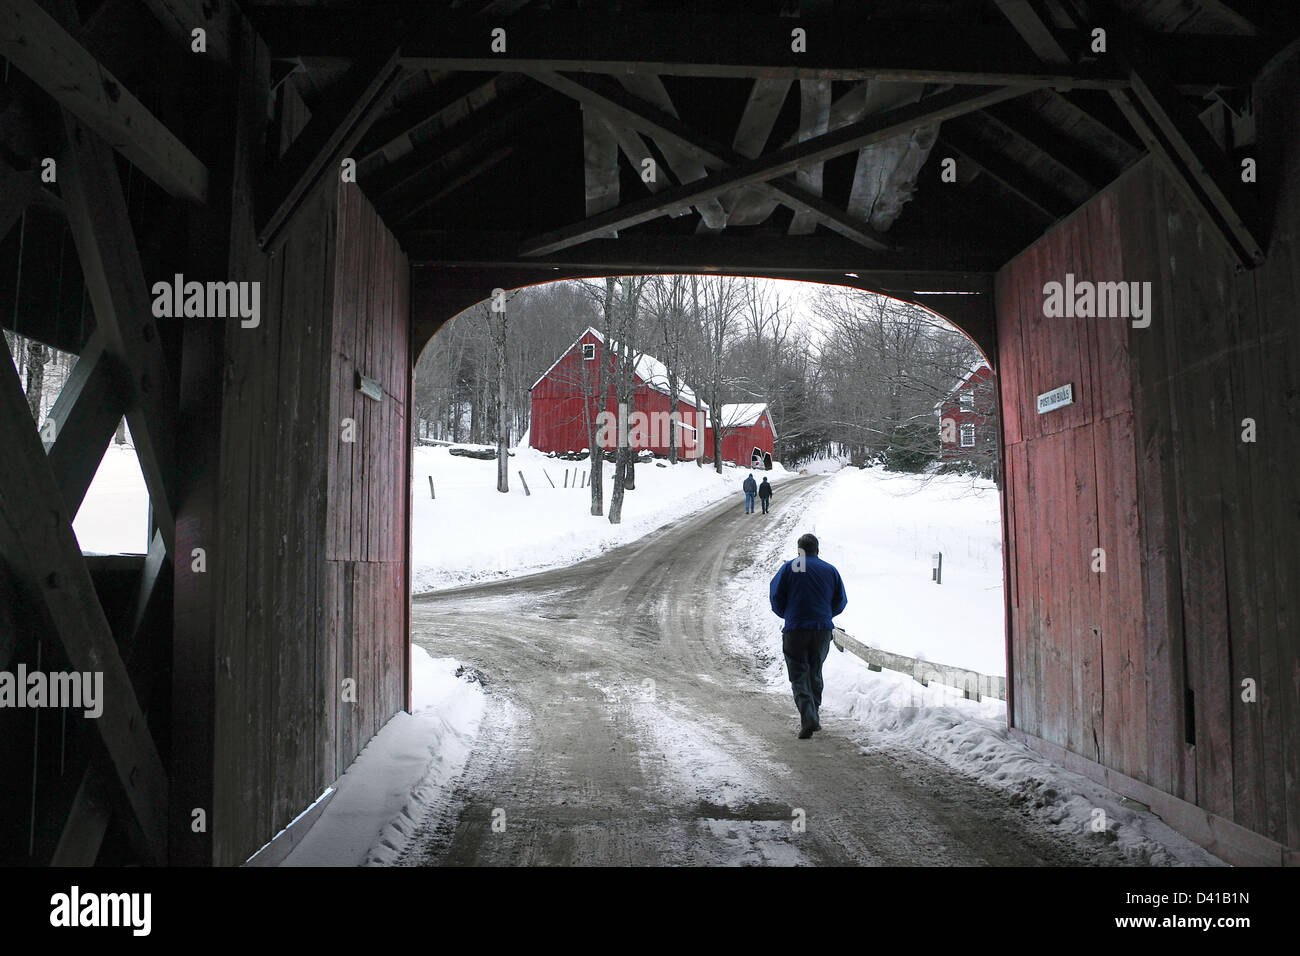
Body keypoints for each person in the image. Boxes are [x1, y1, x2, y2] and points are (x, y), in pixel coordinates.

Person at [769, 533, 847, 738]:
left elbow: (776, 597)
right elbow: (840, 601)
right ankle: (814, 714)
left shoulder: (789, 568)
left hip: (795, 629)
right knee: (815, 671)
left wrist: (789, 614)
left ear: (799, 550)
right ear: (817, 550)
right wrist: (824, 615)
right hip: (821, 629)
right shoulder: (830, 570)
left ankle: (808, 717)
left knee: (798, 673)